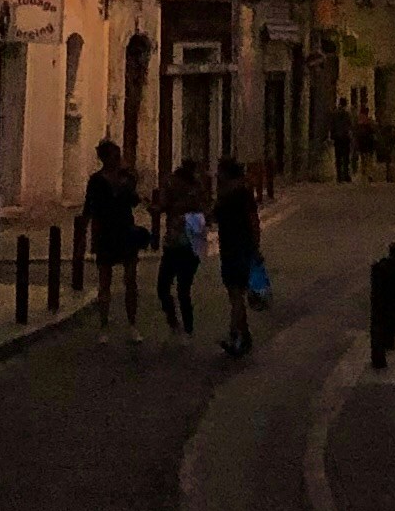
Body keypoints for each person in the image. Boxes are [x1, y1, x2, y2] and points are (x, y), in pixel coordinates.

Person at [80, 137, 144, 333]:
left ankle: (132, 324)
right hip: (106, 233)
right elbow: (89, 208)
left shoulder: (126, 179)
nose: (118, 159)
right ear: (105, 158)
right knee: (104, 281)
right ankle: (104, 325)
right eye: (115, 156)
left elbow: (134, 201)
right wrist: (86, 235)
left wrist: (128, 183)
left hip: (125, 230)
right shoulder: (96, 181)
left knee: (131, 280)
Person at [211, 156, 263, 357]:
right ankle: (244, 334)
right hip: (238, 246)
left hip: (235, 247)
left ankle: (236, 335)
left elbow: (251, 219)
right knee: (237, 293)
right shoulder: (240, 191)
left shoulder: (232, 193)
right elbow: (253, 220)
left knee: (235, 293)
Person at [155, 161, 204, 335]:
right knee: (183, 288)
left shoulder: (173, 185)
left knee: (165, 286)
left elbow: (161, 206)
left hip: (177, 243)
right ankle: (186, 326)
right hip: (190, 243)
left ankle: (176, 323)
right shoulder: (197, 188)